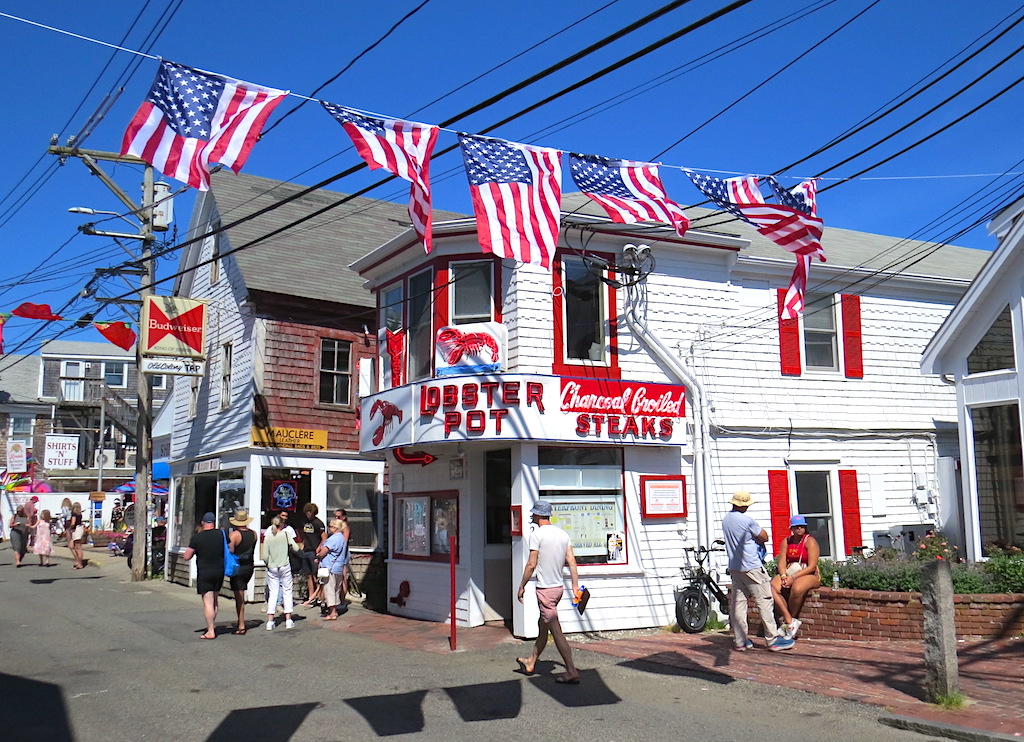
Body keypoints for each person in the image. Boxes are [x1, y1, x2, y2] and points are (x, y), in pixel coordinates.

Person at [515, 500, 581, 684]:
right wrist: (575, 586)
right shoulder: (562, 534)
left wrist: (522, 585)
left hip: (545, 590)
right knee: (542, 626)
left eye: (533, 514)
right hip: (558, 589)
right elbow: (572, 562)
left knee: (556, 631)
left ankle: (571, 670)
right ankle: (531, 661)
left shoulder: (537, 535)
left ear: (537, 514)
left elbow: (531, 564)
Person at [723, 491, 794, 651]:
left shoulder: (726, 519)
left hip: (735, 566)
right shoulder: (747, 521)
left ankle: (740, 640)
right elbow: (764, 536)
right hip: (752, 565)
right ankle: (772, 639)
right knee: (765, 599)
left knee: (739, 603)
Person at [770, 515, 821, 640]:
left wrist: (792, 577)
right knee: (772, 587)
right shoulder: (787, 541)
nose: (799, 528)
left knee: (797, 589)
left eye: (802, 526)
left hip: (807, 573)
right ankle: (789, 619)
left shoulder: (810, 541)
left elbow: (812, 566)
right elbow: (781, 562)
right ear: (791, 528)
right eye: (796, 527)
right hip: (790, 570)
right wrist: (783, 576)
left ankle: (791, 620)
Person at [182, 512, 225, 640]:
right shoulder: (221, 535)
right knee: (215, 601)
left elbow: (186, 556)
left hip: (205, 571)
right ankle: (211, 625)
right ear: (214, 522)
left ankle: (211, 630)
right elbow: (230, 549)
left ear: (203, 523)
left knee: (208, 602)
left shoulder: (197, 538)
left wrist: (196, 550)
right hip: (219, 570)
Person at [262, 516, 299, 630]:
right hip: (284, 565)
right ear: (282, 524)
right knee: (287, 591)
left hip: (272, 567)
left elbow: (264, 556)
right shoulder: (285, 535)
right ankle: (288, 619)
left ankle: (270, 621)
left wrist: (268, 563)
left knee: (273, 593)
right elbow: (296, 548)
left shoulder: (268, 537)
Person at [227, 508, 257, 635]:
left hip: (238, 567)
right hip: (249, 566)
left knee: (239, 597)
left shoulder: (234, 535)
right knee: (241, 594)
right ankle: (240, 622)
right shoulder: (254, 534)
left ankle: (241, 624)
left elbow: (230, 551)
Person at [315, 518, 349, 621]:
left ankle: (332, 612)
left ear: (335, 528)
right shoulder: (342, 538)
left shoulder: (333, 539)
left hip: (330, 568)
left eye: (330, 526)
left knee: (329, 590)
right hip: (339, 567)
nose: (329, 529)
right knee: (336, 589)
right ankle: (334, 611)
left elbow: (323, 551)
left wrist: (318, 556)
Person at [298, 503, 326, 607]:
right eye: (307, 512)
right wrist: (303, 545)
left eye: (310, 512)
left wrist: (319, 548)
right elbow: (305, 536)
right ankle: (311, 596)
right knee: (309, 575)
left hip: (314, 551)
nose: (308, 514)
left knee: (317, 575)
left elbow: (324, 538)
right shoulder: (305, 522)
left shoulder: (318, 523)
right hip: (306, 550)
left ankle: (319, 596)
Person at [67, 502, 86, 569]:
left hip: (76, 530)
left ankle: (80, 564)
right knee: (74, 547)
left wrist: (69, 529)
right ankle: (78, 561)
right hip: (80, 528)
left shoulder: (74, 514)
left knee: (78, 547)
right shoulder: (80, 514)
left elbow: (73, 523)